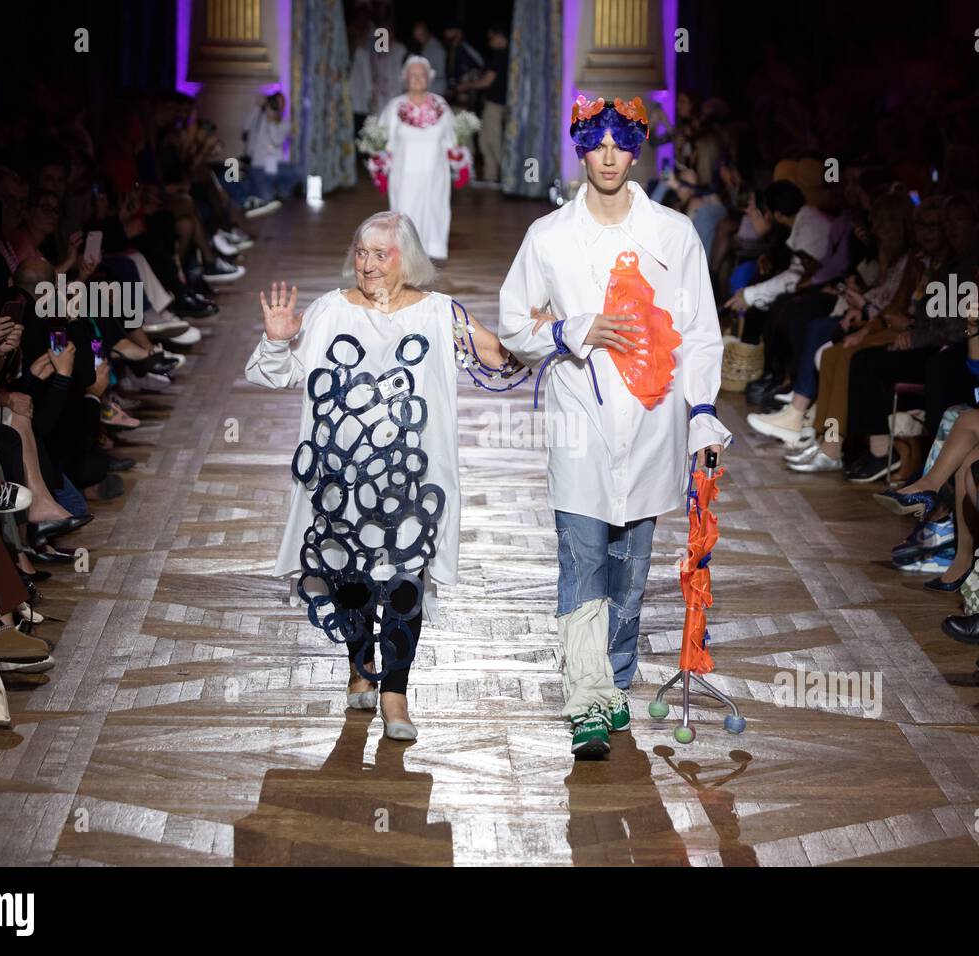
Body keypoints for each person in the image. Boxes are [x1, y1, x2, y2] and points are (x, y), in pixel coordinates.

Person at [498, 95, 732, 759]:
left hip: (654, 424)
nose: (608, 154)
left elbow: (698, 333)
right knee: (583, 560)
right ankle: (586, 702)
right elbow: (515, 321)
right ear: (580, 149)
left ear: (636, 151)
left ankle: (616, 685)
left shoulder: (673, 234)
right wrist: (573, 329)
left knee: (631, 573)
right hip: (579, 422)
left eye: (620, 142)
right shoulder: (549, 236)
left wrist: (704, 410)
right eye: (596, 142)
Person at [244, 211, 514, 741]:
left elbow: (501, 359)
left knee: (404, 583)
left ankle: (395, 695)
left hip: (414, 485)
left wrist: (543, 329)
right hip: (339, 484)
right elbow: (275, 373)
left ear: (405, 259)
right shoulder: (329, 310)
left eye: (380, 254)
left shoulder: (441, 314)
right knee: (353, 581)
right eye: (362, 252)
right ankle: (360, 666)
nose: (367, 265)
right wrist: (278, 340)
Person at [378, 57, 458, 261]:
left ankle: (434, 251)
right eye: (412, 75)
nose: (417, 79)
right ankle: (404, 254)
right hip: (403, 174)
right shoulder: (394, 107)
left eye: (421, 74)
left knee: (435, 210)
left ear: (429, 78)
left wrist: (459, 161)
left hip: (435, 173)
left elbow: (453, 140)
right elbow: (380, 142)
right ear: (405, 78)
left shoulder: (441, 105)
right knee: (404, 212)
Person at [458, 25, 509, 185]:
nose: (489, 42)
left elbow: (487, 81)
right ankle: (490, 176)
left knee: (493, 141)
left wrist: (467, 85)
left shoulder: (501, 56)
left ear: (500, 37)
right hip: (493, 104)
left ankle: (507, 176)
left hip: (495, 104)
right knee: (484, 140)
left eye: (491, 37)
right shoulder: (504, 56)